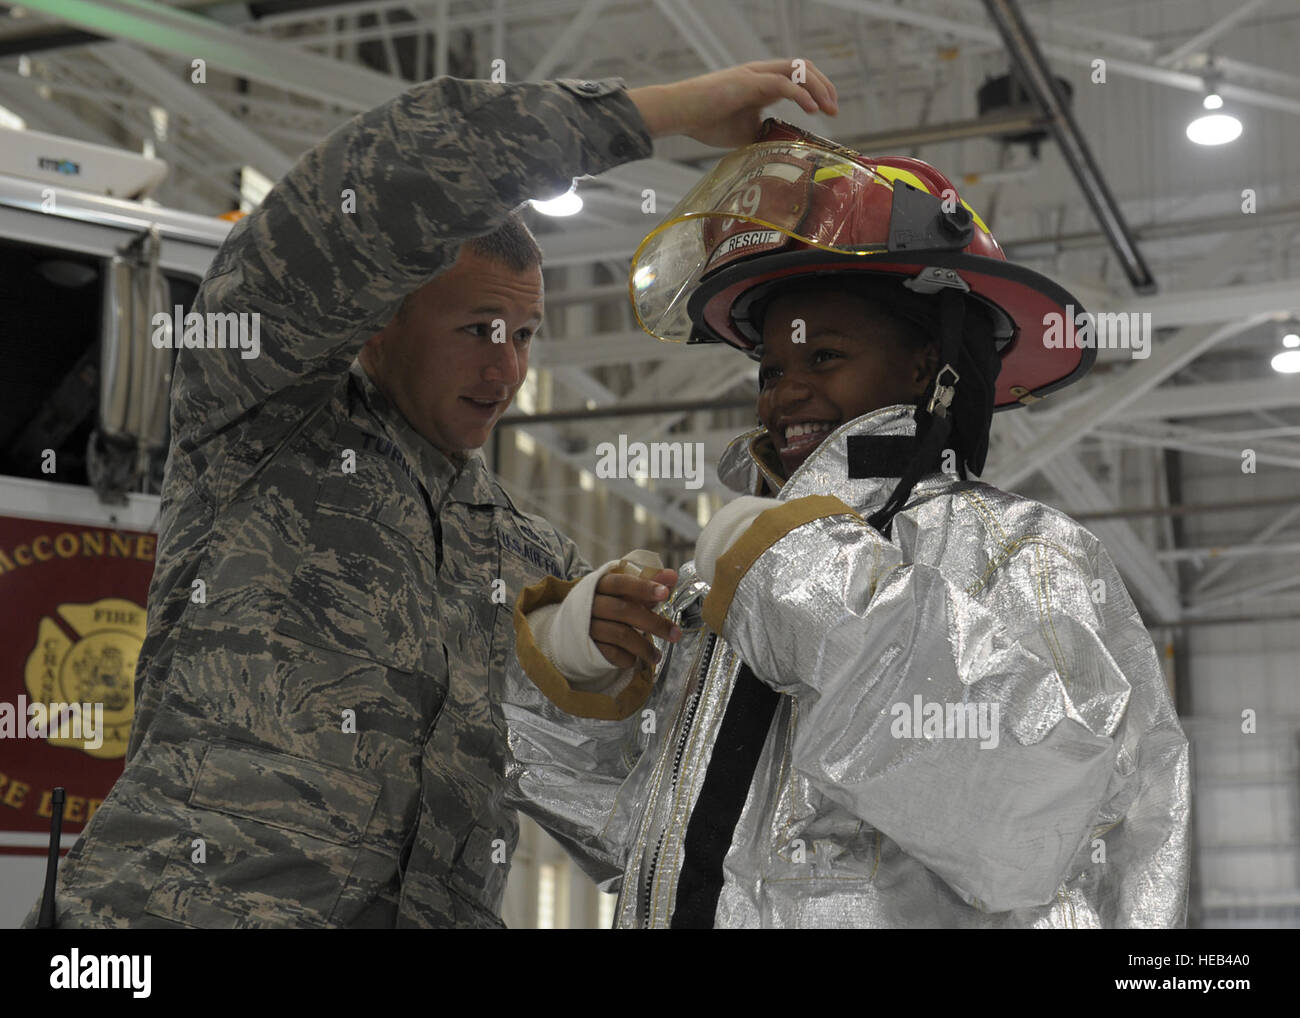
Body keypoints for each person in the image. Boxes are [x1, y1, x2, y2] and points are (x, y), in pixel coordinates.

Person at [24, 64, 841, 929]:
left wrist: (602, 641)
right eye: (478, 331)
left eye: (524, 336)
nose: (507, 369)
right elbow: (386, 177)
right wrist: (660, 114)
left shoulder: (524, 556)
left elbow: (627, 789)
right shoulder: (261, 423)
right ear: (378, 318)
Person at [502, 119, 1191, 928]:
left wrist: (811, 587)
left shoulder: (1031, 557)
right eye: (771, 369)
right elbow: (659, 847)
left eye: (823, 357)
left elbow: (1042, 819)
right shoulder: (742, 579)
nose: (783, 393)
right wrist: (578, 678)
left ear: (926, 366)